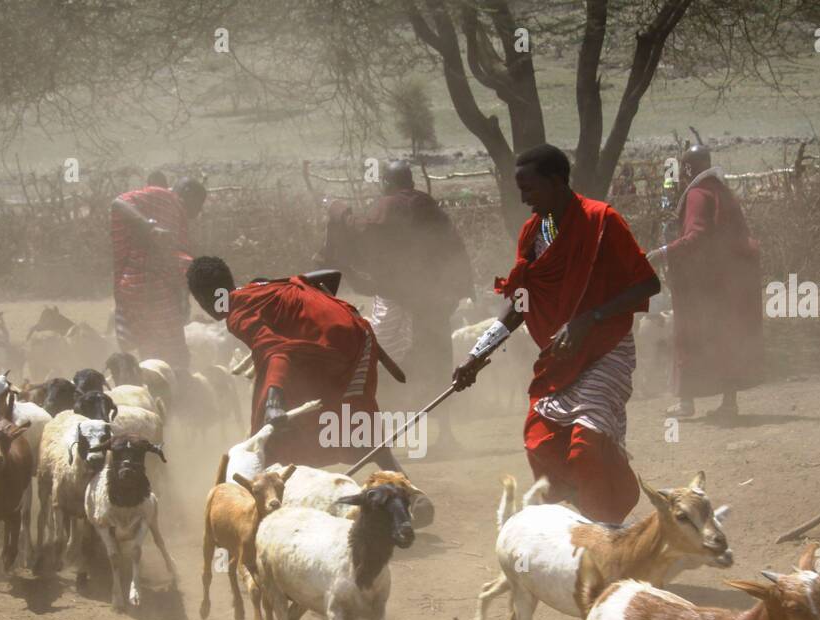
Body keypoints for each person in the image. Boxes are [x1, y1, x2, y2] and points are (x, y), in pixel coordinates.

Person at [452, 144, 659, 523]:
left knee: (586, 448)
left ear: (557, 182)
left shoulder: (601, 222)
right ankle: (591, 519)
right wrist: (477, 356)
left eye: (530, 189)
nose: (524, 199)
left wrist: (589, 318)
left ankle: (608, 528)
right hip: (560, 356)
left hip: (605, 350)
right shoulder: (535, 233)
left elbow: (647, 284)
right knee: (540, 442)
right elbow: (520, 303)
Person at [186, 255, 402, 471]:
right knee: (346, 415)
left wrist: (273, 403)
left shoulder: (237, 314)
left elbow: (274, 350)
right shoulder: (259, 287)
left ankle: (267, 478)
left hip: (338, 343)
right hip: (354, 331)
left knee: (269, 433)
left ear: (204, 300)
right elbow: (332, 276)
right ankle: (403, 484)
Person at [316, 160, 472, 448]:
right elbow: (453, 245)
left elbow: (367, 233)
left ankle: (382, 433)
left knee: (386, 360)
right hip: (435, 300)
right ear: (410, 181)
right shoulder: (430, 207)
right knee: (436, 363)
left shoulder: (390, 205)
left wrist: (340, 212)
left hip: (404, 299)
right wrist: (461, 287)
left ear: (387, 183)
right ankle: (444, 435)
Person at [646, 145, 762, 422]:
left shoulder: (698, 195)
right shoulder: (722, 192)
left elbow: (697, 236)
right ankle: (729, 404)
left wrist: (661, 253)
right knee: (726, 339)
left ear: (687, 169)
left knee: (690, 336)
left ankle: (686, 403)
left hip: (704, 284)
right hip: (729, 282)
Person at [111, 173, 207, 369]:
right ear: (186, 194)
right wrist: (150, 227)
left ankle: (156, 391)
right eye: (198, 203)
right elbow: (118, 203)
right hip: (149, 285)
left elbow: (174, 255)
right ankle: (180, 395)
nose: (199, 211)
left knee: (152, 352)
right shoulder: (163, 197)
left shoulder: (174, 214)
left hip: (135, 288)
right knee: (176, 354)